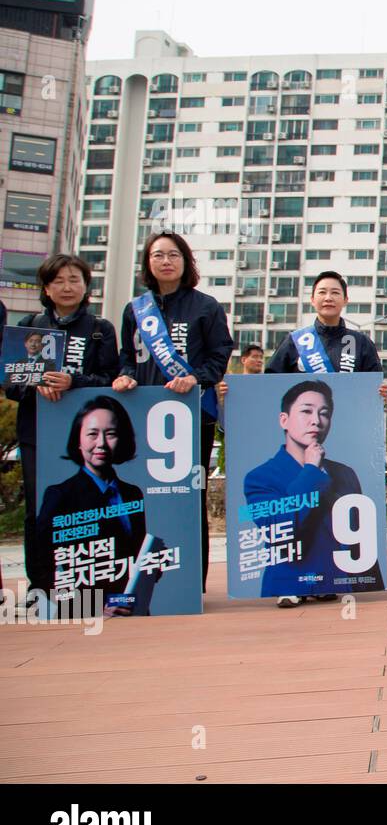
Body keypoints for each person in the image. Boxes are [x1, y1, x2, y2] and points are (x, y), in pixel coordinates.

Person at [112, 230, 233, 592]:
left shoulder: (206, 306)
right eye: (158, 255)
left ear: (185, 262)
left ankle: (190, 582)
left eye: (173, 255)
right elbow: (126, 357)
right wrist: (126, 376)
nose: (166, 261)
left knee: (188, 497)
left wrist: (195, 378)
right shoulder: (136, 310)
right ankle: (142, 577)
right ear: (148, 263)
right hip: (141, 415)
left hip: (192, 414)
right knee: (142, 495)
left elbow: (219, 355)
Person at [6, 255, 120, 610]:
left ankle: (90, 583)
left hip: (85, 432)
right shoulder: (29, 325)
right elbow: (10, 384)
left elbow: (111, 381)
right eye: (58, 281)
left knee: (90, 505)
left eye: (74, 279)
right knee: (39, 509)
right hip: (37, 429)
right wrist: (34, 384)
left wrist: (75, 381)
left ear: (86, 286)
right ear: (46, 288)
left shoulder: (100, 329)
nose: (67, 287)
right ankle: (40, 584)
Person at [244, 379, 384, 599]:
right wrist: (310, 470)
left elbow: (360, 539)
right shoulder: (260, 477)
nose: (316, 421)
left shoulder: (345, 473)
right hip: (288, 585)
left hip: (340, 586)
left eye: (324, 413)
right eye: (306, 412)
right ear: (284, 420)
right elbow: (279, 529)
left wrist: (370, 586)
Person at [34, 395, 146, 616]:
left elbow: (139, 557)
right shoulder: (60, 495)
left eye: (111, 434)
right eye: (92, 434)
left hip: (130, 610)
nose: (101, 443)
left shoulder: (132, 494)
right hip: (81, 613)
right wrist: (89, 607)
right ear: (78, 440)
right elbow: (43, 565)